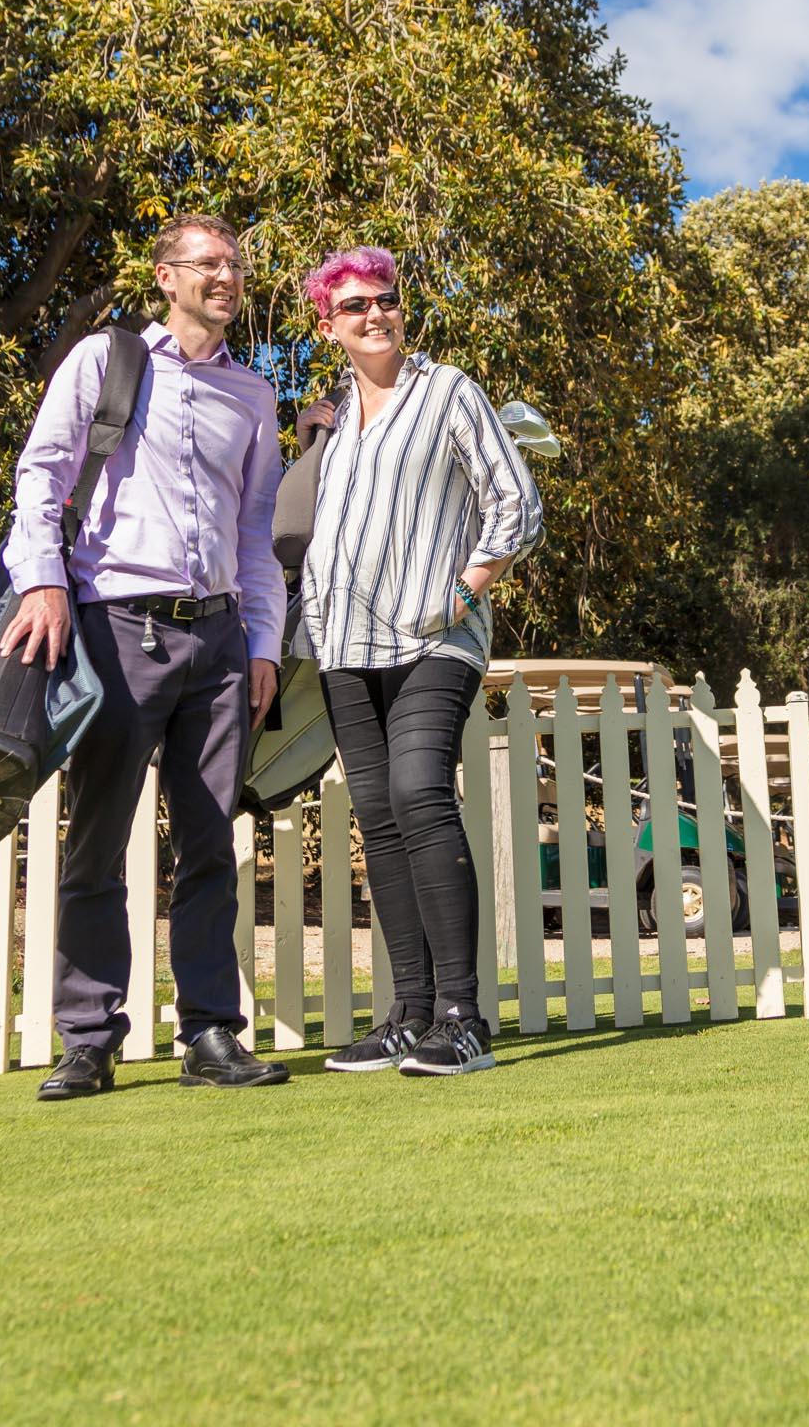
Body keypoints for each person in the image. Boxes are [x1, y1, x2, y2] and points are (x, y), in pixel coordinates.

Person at [0, 213, 288, 1101]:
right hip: (116, 628)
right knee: (95, 842)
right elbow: (41, 478)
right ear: (166, 277)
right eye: (209, 264)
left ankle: (209, 1034)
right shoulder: (107, 360)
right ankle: (88, 1040)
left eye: (235, 266)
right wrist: (43, 583)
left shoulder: (256, 396)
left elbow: (256, 535)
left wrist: (263, 643)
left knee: (209, 846)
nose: (228, 278)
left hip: (219, 639)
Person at [299, 247, 541, 1077]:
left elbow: (516, 500)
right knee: (378, 814)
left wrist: (466, 590)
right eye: (356, 306)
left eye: (387, 301)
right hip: (341, 643)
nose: (376, 315)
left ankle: (462, 1017)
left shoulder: (448, 392)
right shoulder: (330, 418)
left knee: (418, 792)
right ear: (327, 325)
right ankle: (406, 1013)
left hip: (433, 637)